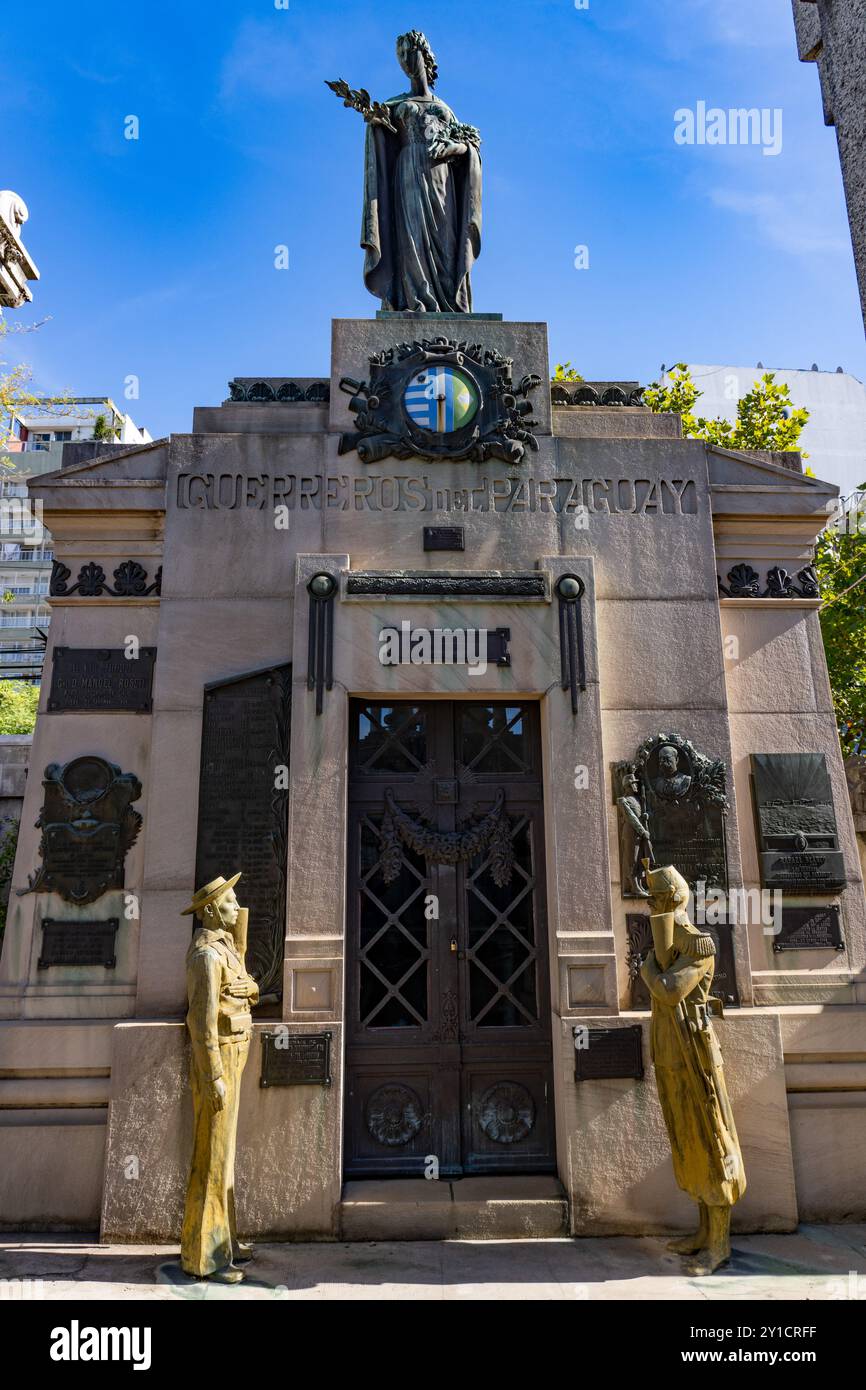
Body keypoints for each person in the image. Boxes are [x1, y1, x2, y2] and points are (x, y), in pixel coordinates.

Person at [640, 863, 745, 1275]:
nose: (649, 907)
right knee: (687, 1142)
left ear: (672, 900)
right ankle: (703, 1232)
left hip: (695, 1055)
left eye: (654, 900)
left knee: (711, 1139)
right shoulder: (664, 945)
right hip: (670, 1053)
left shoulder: (697, 946)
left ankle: (719, 1244)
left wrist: (648, 969)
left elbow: (669, 991)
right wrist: (653, 963)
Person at [360, 30, 482, 312]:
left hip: (442, 177)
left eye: (409, 52)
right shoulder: (394, 104)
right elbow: (378, 129)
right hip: (408, 173)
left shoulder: (445, 110)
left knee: (446, 240)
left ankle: (448, 301)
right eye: (400, 56)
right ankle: (414, 299)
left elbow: (470, 149)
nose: (404, 60)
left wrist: (454, 149)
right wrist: (374, 120)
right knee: (411, 237)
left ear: (424, 55)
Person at [179, 873, 259, 1283]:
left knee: (225, 1157)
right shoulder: (207, 956)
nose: (237, 908)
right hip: (220, 1059)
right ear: (211, 911)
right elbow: (201, 1020)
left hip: (237, 1052)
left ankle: (225, 1240)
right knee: (212, 1156)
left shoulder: (227, 950)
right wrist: (213, 1077)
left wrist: (249, 987)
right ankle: (205, 1257)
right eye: (231, 903)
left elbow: (246, 988)